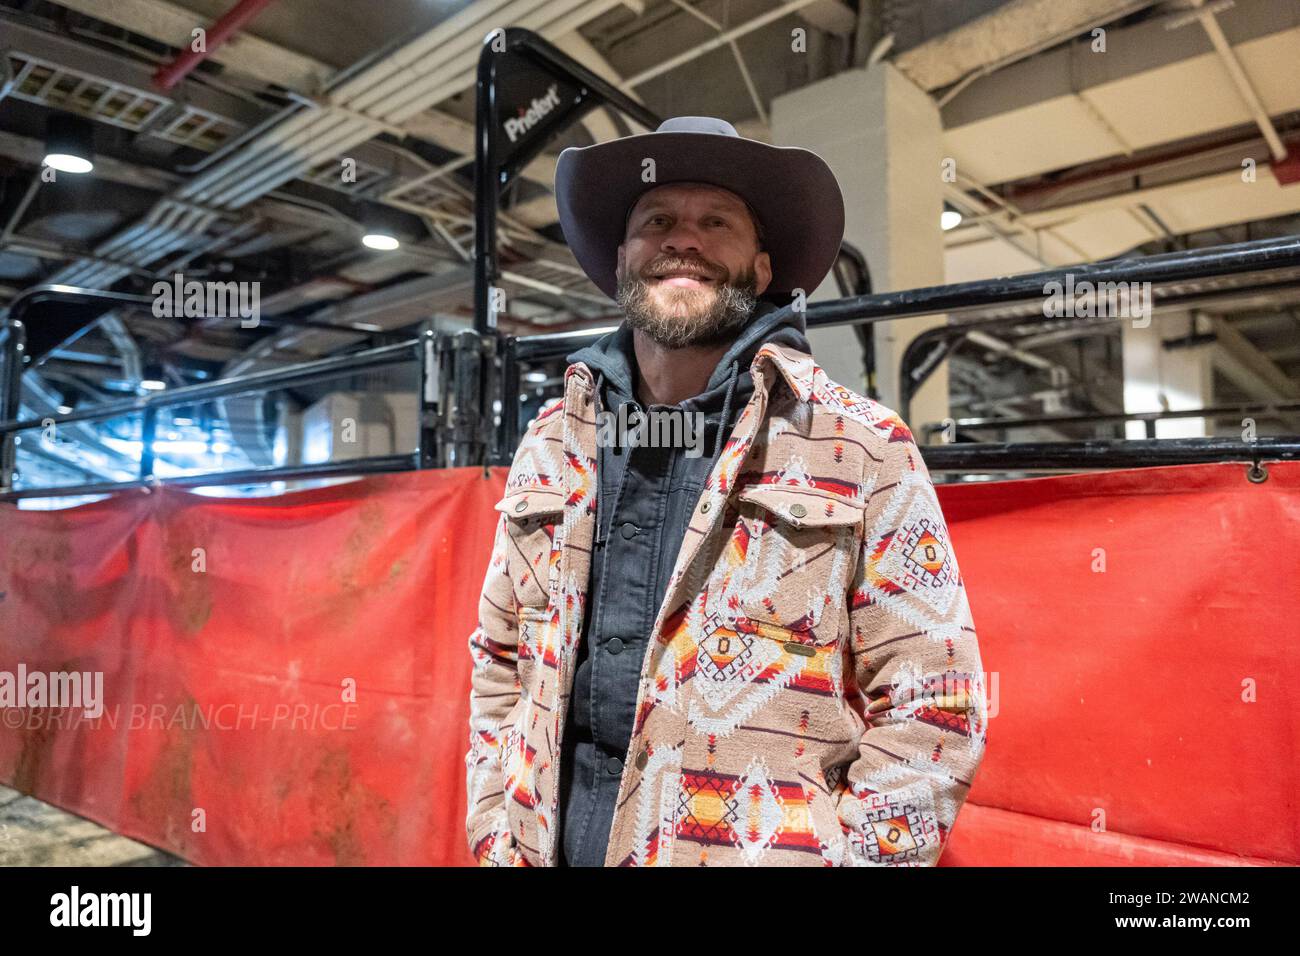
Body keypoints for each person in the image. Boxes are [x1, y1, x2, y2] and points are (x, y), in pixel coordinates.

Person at [465, 116, 987, 867]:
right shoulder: (551, 441)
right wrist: (493, 828)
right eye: (658, 221)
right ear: (621, 259)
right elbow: (499, 659)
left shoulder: (862, 446)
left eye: (716, 221)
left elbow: (937, 703)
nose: (684, 240)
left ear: (762, 266)